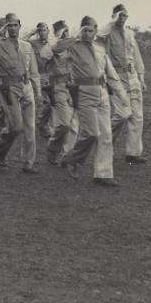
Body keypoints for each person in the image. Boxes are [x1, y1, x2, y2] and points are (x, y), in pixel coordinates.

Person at [49, 16, 121, 186]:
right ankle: (74, 159)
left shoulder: (99, 47)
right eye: (85, 30)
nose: (88, 34)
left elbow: (107, 71)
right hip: (83, 92)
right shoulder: (74, 46)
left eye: (91, 30)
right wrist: (76, 35)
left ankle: (103, 173)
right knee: (91, 133)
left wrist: (118, 93)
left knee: (106, 134)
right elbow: (55, 49)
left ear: (96, 30)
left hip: (101, 91)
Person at [0, 13, 42, 173]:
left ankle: (28, 163)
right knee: (16, 126)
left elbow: (34, 71)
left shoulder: (27, 46)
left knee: (30, 127)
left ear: (19, 25)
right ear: (5, 27)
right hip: (9, 88)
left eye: (15, 25)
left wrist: (38, 92)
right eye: (8, 25)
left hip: (26, 86)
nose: (12, 28)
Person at [97, 4, 148, 165]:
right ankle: (105, 145)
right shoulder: (107, 32)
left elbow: (137, 56)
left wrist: (141, 77)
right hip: (116, 77)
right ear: (113, 16)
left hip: (132, 76)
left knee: (137, 116)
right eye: (120, 15)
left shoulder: (130, 34)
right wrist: (114, 20)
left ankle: (133, 153)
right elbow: (99, 42)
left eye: (125, 15)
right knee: (121, 115)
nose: (122, 18)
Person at [40, 20, 79, 165]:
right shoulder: (50, 46)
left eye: (67, 30)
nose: (67, 33)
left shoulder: (72, 45)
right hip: (58, 87)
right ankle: (53, 147)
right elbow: (47, 54)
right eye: (64, 31)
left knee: (74, 125)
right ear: (57, 32)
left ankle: (66, 156)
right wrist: (59, 39)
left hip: (73, 86)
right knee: (64, 125)